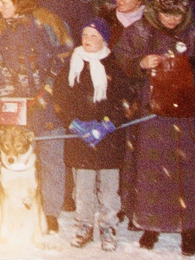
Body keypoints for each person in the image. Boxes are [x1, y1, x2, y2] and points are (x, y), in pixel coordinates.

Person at [113, 0, 195, 255]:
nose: (171, 19)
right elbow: (120, 56)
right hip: (153, 112)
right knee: (153, 170)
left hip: (191, 113)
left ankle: (188, 228)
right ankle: (150, 224)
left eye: (177, 14)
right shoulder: (142, 30)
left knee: (189, 172)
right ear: (157, 9)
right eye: (166, 14)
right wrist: (140, 62)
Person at [0, 0, 73, 235]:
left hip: (49, 100)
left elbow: (66, 50)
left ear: (18, 0)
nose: (0, 7)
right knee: (18, 158)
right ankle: (19, 205)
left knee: (51, 156)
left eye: (5, 2)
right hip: (17, 104)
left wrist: (49, 85)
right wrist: (5, 103)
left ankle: (50, 211)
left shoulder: (45, 20)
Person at [53, 17, 132, 251]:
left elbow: (126, 100)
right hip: (81, 138)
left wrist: (107, 125)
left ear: (104, 40)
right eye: (85, 35)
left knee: (109, 186)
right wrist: (73, 123)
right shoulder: (72, 64)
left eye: (93, 36)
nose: (87, 39)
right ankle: (84, 224)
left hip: (108, 137)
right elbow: (60, 97)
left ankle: (108, 224)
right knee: (83, 186)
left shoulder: (114, 67)